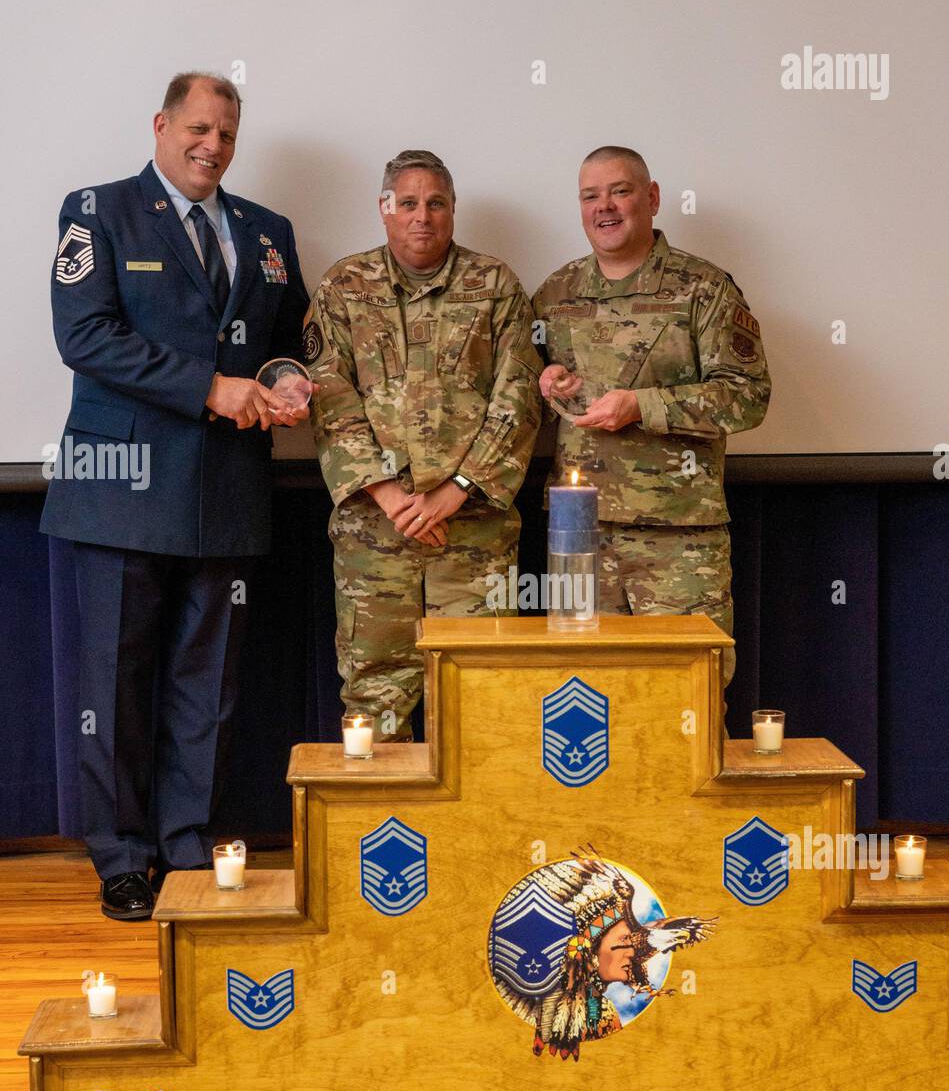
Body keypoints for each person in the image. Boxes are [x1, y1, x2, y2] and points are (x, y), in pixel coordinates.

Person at [41, 72, 310, 920]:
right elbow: (84, 336)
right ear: (161, 124)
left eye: (227, 134)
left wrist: (287, 381)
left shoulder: (267, 230)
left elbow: (287, 339)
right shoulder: (98, 210)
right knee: (115, 685)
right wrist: (211, 388)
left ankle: (187, 848)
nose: (213, 147)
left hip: (227, 492)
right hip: (120, 489)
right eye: (198, 128)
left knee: (210, 686)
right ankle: (122, 857)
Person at [303, 150, 541, 740]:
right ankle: (386, 832)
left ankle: (474, 836)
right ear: (384, 209)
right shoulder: (343, 288)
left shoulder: (495, 285)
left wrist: (454, 491)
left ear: (453, 210)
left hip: (473, 533)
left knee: (480, 699)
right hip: (375, 538)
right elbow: (329, 397)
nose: (422, 217)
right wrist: (390, 496)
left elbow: (519, 399)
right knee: (374, 694)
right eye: (407, 203)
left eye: (436, 203)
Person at [532, 145, 771, 686]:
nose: (605, 207)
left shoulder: (703, 289)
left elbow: (747, 395)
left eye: (620, 191)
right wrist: (546, 384)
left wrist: (643, 405)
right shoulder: (554, 295)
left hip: (679, 537)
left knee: (688, 699)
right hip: (579, 539)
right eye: (591, 196)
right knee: (584, 702)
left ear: (653, 198)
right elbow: (520, 397)